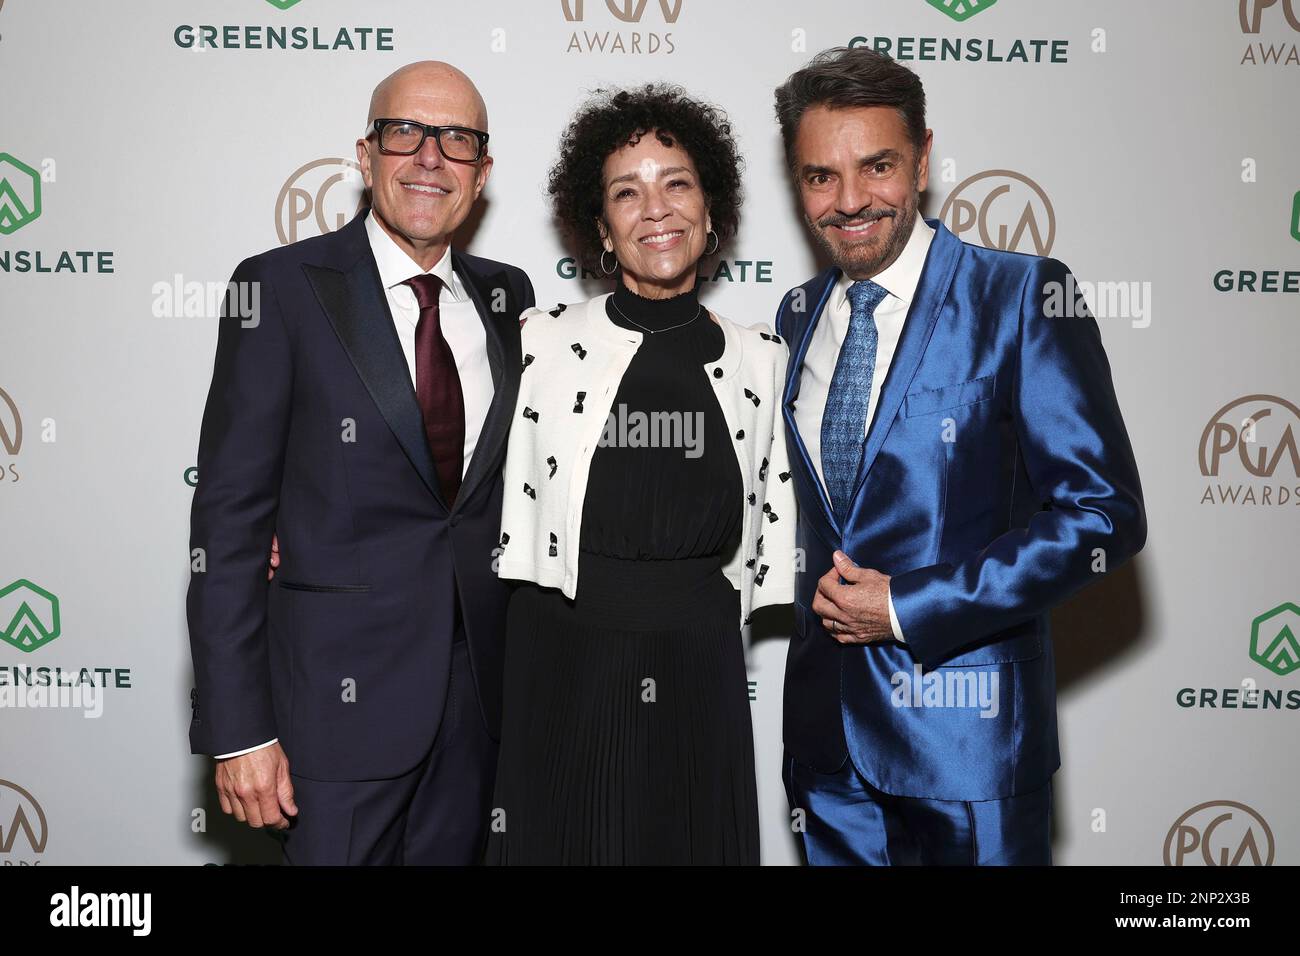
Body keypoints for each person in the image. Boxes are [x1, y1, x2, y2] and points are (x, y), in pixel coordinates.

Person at [773, 48, 1146, 865]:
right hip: (826, 754)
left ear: (924, 158)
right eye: (820, 177)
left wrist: (907, 606)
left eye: (877, 167)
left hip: (968, 748)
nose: (850, 201)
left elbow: (1102, 516)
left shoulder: (1020, 297)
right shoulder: (796, 315)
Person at [186, 61, 535, 864]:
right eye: (404, 131)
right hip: (329, 720)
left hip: (479, 712)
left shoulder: (510, 299)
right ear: (366, 153)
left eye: (458, 140)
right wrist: (239, 730)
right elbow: (230, 522)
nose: (429, 157)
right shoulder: (278, 289)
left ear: (482, 174)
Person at [486, 84, 794, 865]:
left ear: (711, 207)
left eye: (677, 183)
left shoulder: (763, 357)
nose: (655, 208)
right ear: (601, 229)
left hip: (701, 668)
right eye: (627, 191)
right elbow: (446, 481)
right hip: (564, 664)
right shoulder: (537, 343)